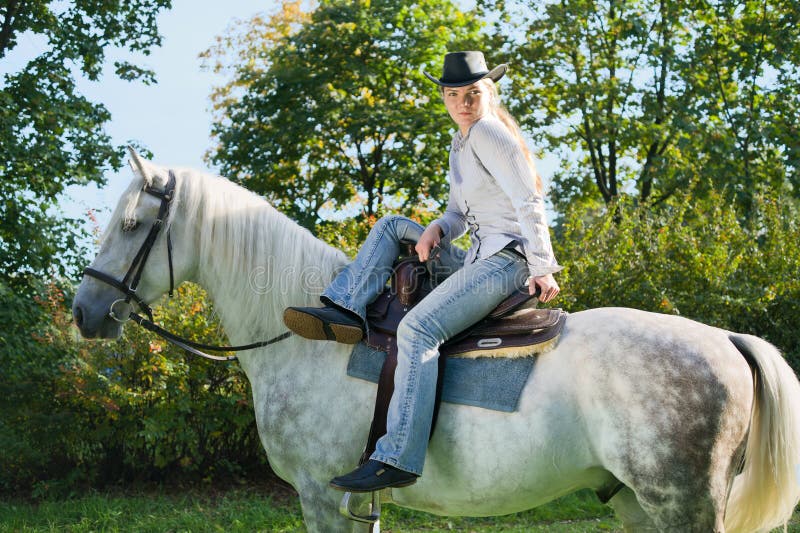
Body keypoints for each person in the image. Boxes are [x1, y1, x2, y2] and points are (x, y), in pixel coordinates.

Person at [282, 51, 562, 492]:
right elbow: (457, 213)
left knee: (418, 330)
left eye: (472, 94)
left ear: (487, 93)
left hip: (507, 260)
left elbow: (529, 202)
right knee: (395, 226)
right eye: (454, 95)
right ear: (445, 98)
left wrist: (543, 266)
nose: (463, 103)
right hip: (475, 255)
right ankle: (344, 308)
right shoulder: (461, 142)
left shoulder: (489, 132)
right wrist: (435, 228)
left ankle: (398, 456)